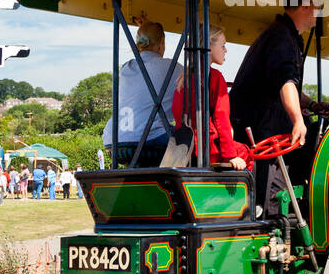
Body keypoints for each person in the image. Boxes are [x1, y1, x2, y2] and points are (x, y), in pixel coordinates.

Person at [229, 0, 329, 206]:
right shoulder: (281, 37)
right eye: (316, 6)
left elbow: (289, 85)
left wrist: (313, 105)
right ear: (305, 6)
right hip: (262, 129)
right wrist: (298, 120)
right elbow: (285, 81)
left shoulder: (283, 34)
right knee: (271, 192)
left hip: (261, 123)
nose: (318, 12)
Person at [172, 26, 252, 170]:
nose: (225, 50)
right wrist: (230, 155)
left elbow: (177, 114)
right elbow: (221, 118)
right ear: (209, 46)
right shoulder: (215, 77)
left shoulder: (183, 79)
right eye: (223, 46)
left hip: (185, 148)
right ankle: (251, 192)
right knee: (247, 152)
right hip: (208, 148)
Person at [102, 19, 179, 167]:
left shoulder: (126, 68)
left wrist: (146, 30)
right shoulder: (171, 67)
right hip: (146, 140)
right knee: (189, 137)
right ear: (161, 42)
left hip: (114, 140)